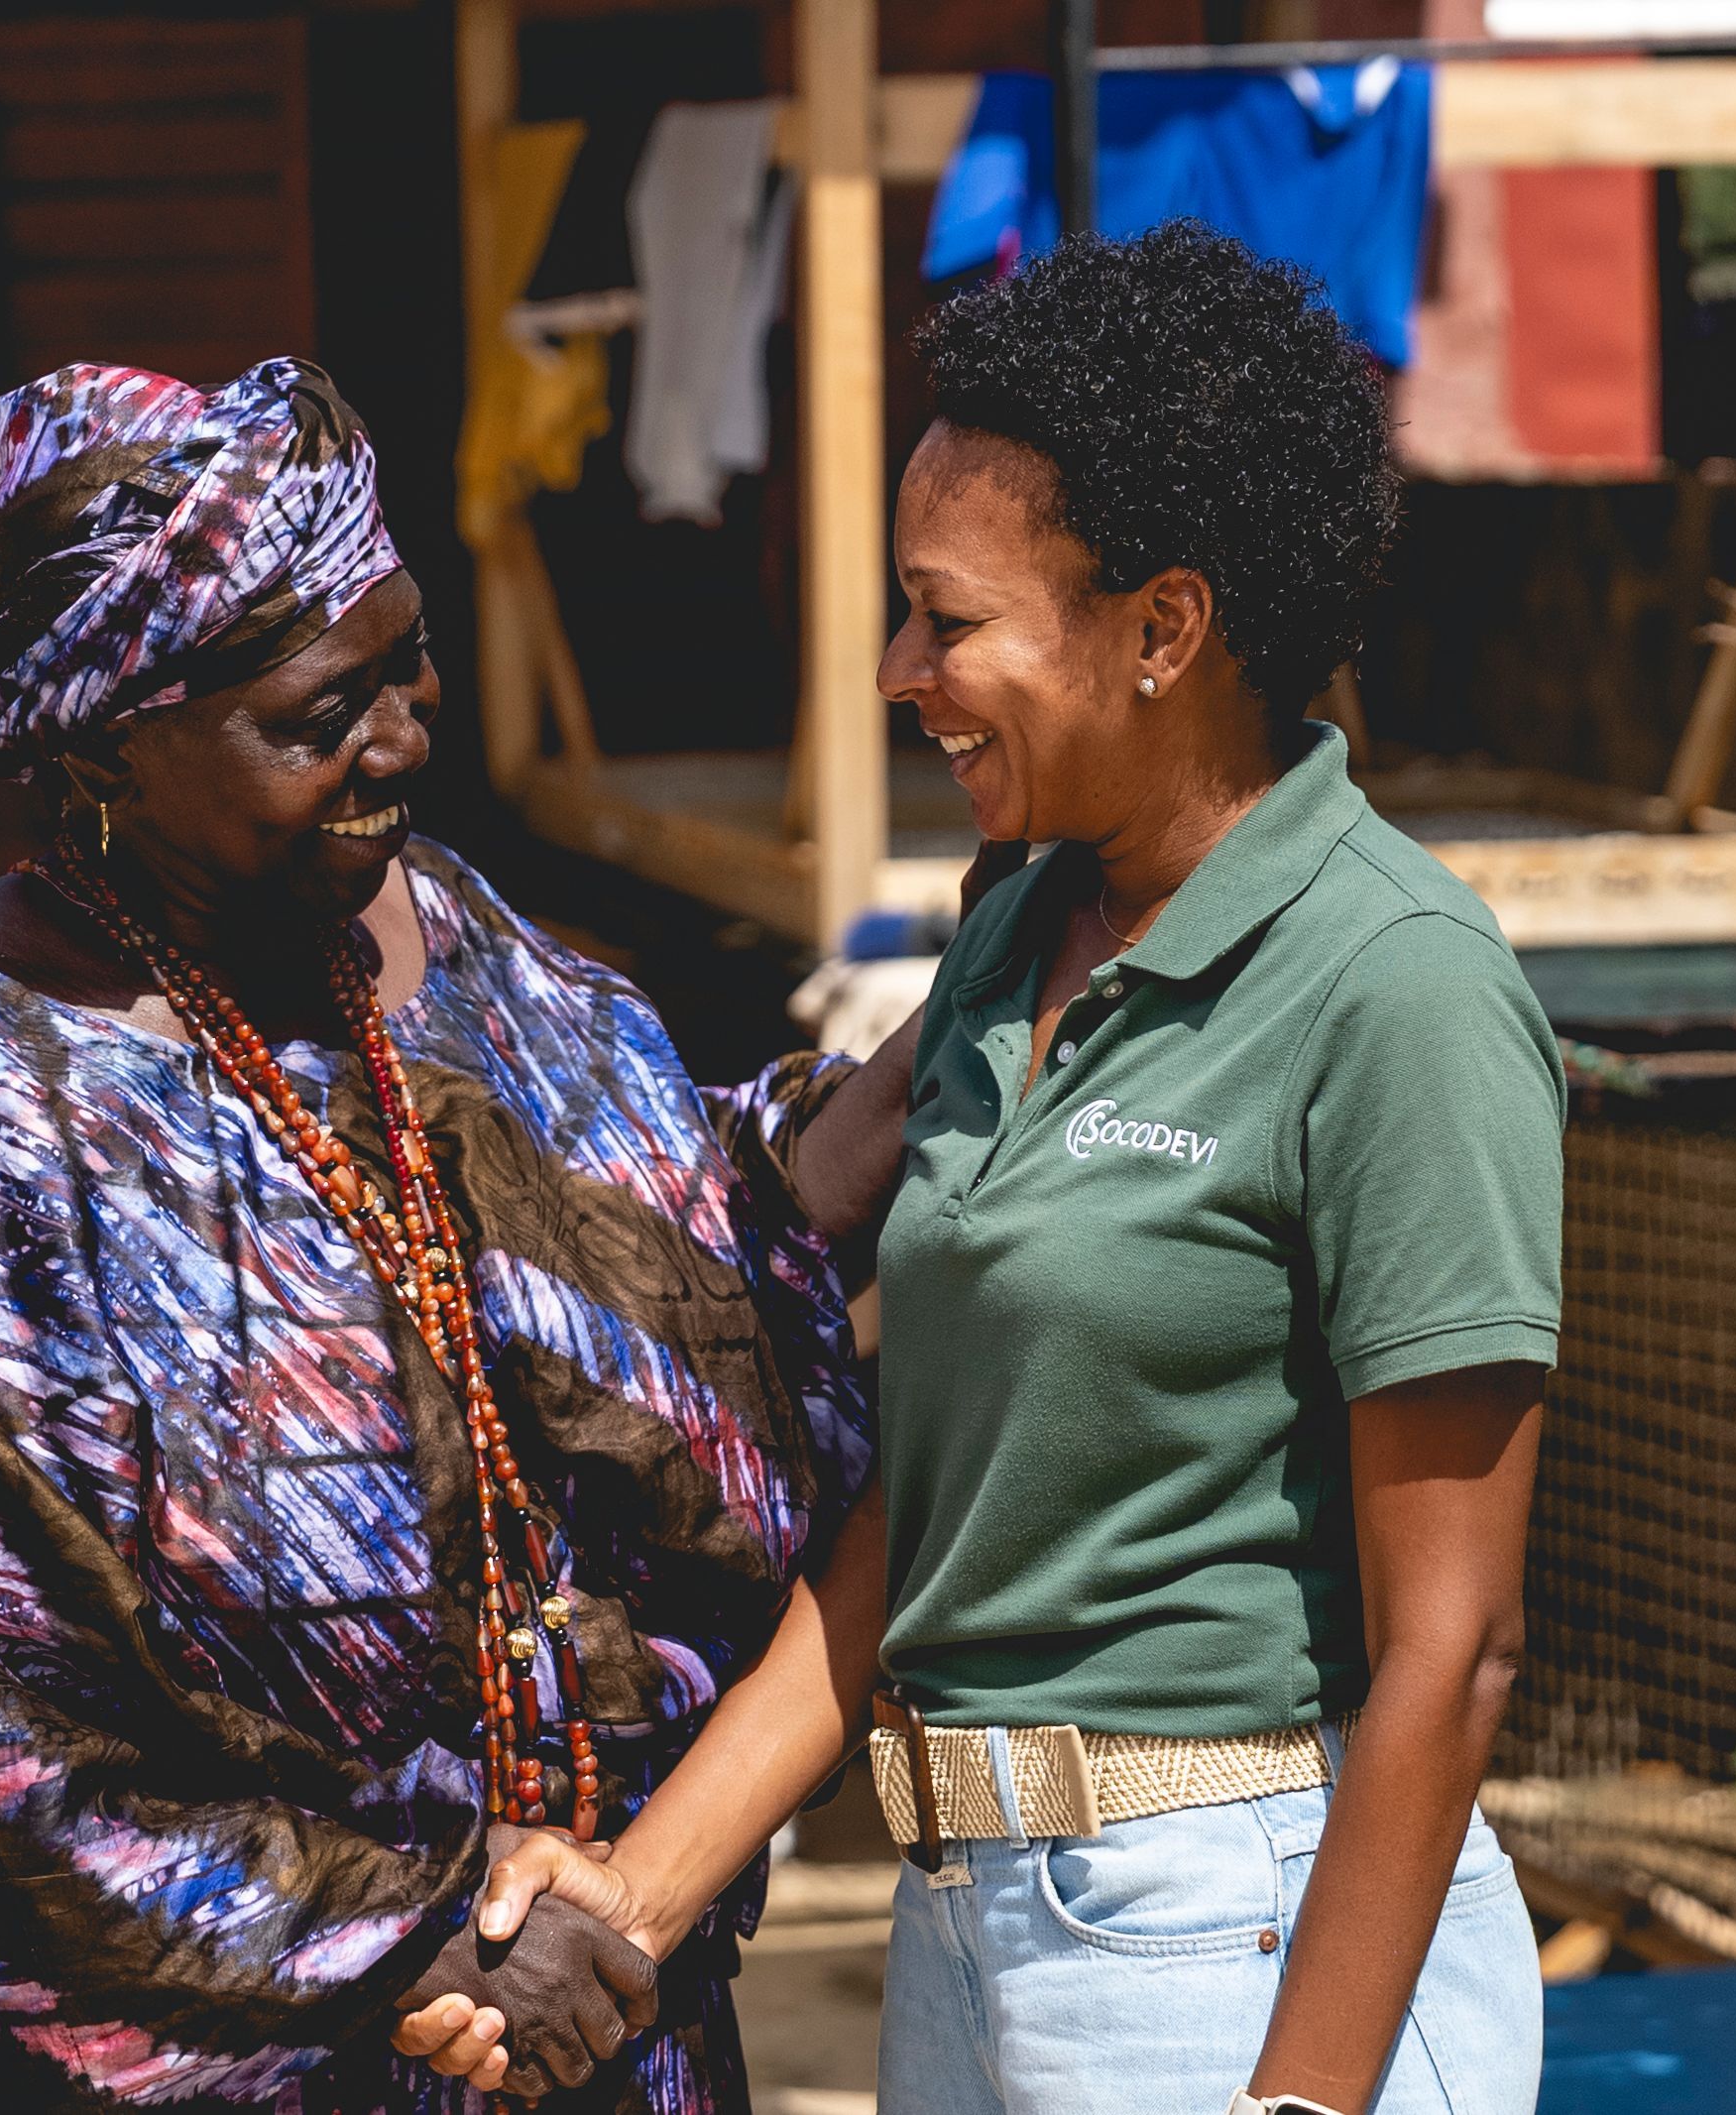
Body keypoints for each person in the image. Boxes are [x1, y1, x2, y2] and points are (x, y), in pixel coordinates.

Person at [0, 357, 917, 2114]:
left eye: (409, 655)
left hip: (586, 2008)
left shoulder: (445, 930)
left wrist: (852, 1135)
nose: (404, 736)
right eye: (319, 712)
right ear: (104, 744)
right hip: (215, 2055)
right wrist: (414, 1924)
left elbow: (645, 1240)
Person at [400, 226, 1562, 2115]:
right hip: (967, 1940)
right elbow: (910, 1528)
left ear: (1162, 630)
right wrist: (630, 1889)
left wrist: (1302, 2104)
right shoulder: (1016, 928)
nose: (894, 670)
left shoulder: (1396, 984)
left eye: (947, 620)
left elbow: (1456, 1645)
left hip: (1243, 1945)